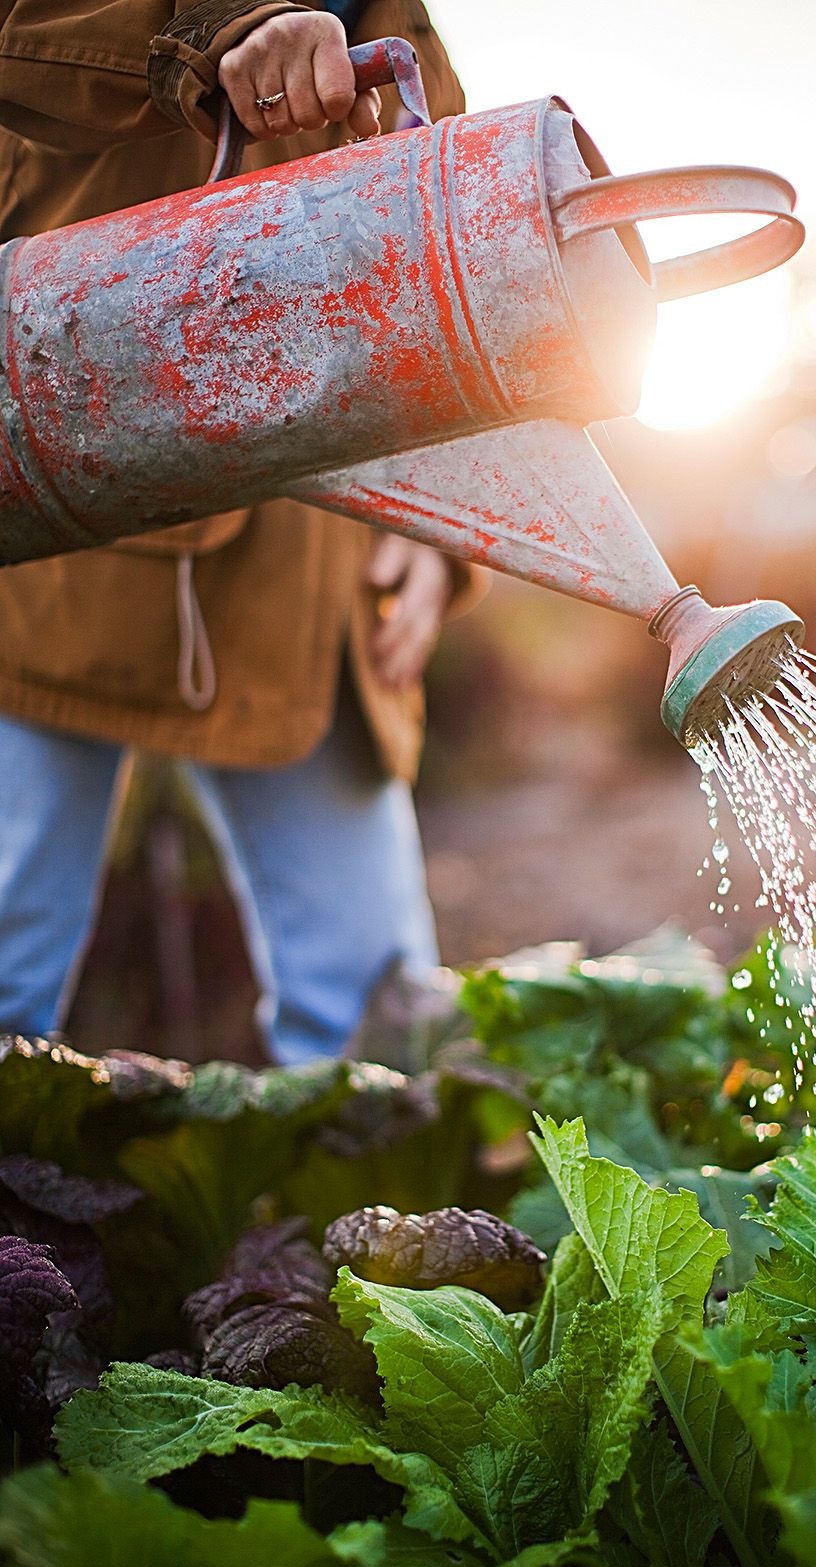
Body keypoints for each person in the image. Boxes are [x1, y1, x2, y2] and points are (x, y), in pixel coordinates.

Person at [0, 0, 477, 1063]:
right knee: (3, 966)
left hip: (313, 571)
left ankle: (361, 1232)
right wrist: (218, 36)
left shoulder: (400, 19)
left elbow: (449, 276)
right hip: (62, 522)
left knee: (373, 1018)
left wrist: (443, 527)